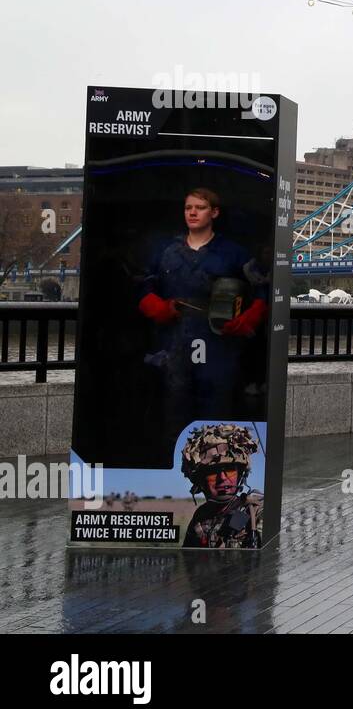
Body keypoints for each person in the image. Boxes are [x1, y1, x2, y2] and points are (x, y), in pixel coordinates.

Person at [138, 188, 268, 430]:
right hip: (175, 346)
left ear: (214, 212)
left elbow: (261, 290)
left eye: (200, 207)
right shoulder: (166, 251)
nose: (193, 213)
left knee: (215, 416)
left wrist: (249, 317)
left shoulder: (234, 253)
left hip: (218, 345)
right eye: (188, 208)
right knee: (174, 415)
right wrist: (156, 307)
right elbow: (144, 286)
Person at [180, 424, 263, 549]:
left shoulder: (256, 512)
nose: (223, 478)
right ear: (201, 480)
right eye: (213, 471)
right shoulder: (201, 516)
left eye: (230, 470)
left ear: (240, 474)